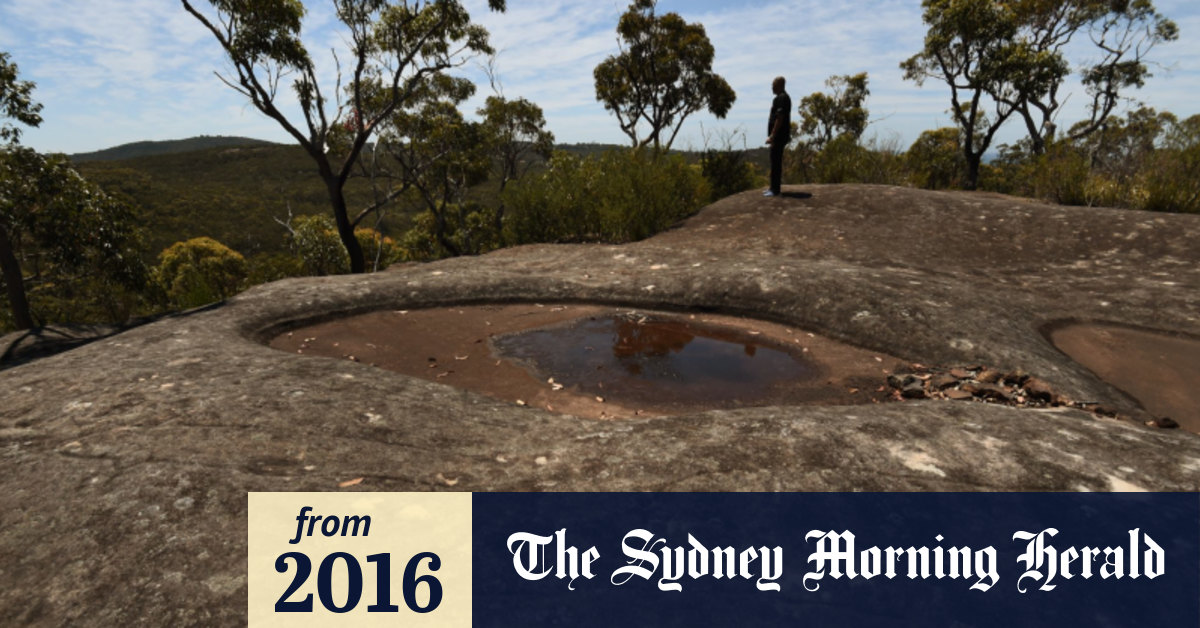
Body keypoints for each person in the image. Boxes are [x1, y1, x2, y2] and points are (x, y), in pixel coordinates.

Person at [765, 76, 791, 197]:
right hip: (779, 136)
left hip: (779, 136)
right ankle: (772, 187)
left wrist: (773, 135)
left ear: (780, 85)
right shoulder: (780, 98)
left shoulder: (782, 98)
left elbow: (780, 118)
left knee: (776, 162)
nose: (772, 87)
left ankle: (775, 190)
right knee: (774, 160)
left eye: (773, 85)